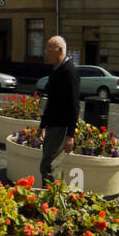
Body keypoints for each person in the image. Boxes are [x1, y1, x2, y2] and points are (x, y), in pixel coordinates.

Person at [39, 35, 81, 185]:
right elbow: (51, 102)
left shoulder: (69, 72)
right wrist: (42, 125)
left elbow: (74, 105)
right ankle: (49, 200)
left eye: (50, 50)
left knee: (48, 166)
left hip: (61, 127)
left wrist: (70, 135)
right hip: (53, 125)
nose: (47, 54)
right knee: (48, 166)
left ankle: (53, 203)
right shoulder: (56, 70)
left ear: (60, 50)